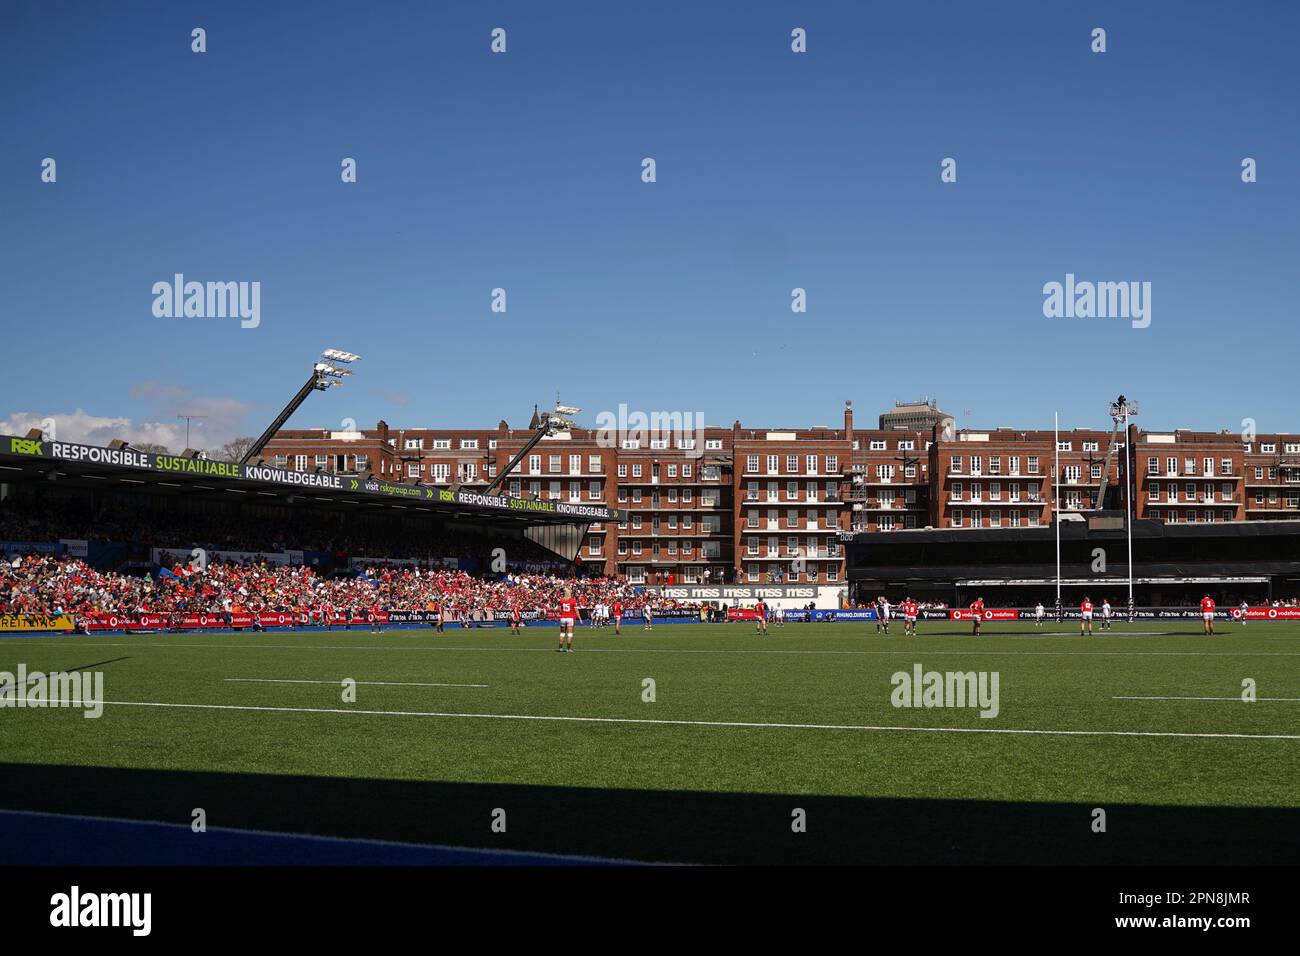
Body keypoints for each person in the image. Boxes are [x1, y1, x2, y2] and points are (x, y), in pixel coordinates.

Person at [557, 588, 578, 652]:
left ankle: (560, 648)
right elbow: (575, 610)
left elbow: (559, 609)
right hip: (570, 618)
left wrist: (563, 613)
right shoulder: (573, 600)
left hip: (563, 618)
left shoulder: (561, 600)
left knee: (562, 633)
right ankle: (568, 649)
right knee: (570, 634)